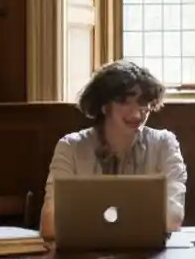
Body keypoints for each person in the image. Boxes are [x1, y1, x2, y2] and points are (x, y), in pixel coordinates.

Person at [41, 60, 187, 240]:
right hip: (84, 257)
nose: (136, 114)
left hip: (147, 255)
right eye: (124, 102)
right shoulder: (70, 147)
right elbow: (49, 224)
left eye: (143, 102)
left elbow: (173, 218)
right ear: (103, 105)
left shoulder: (164, 144)